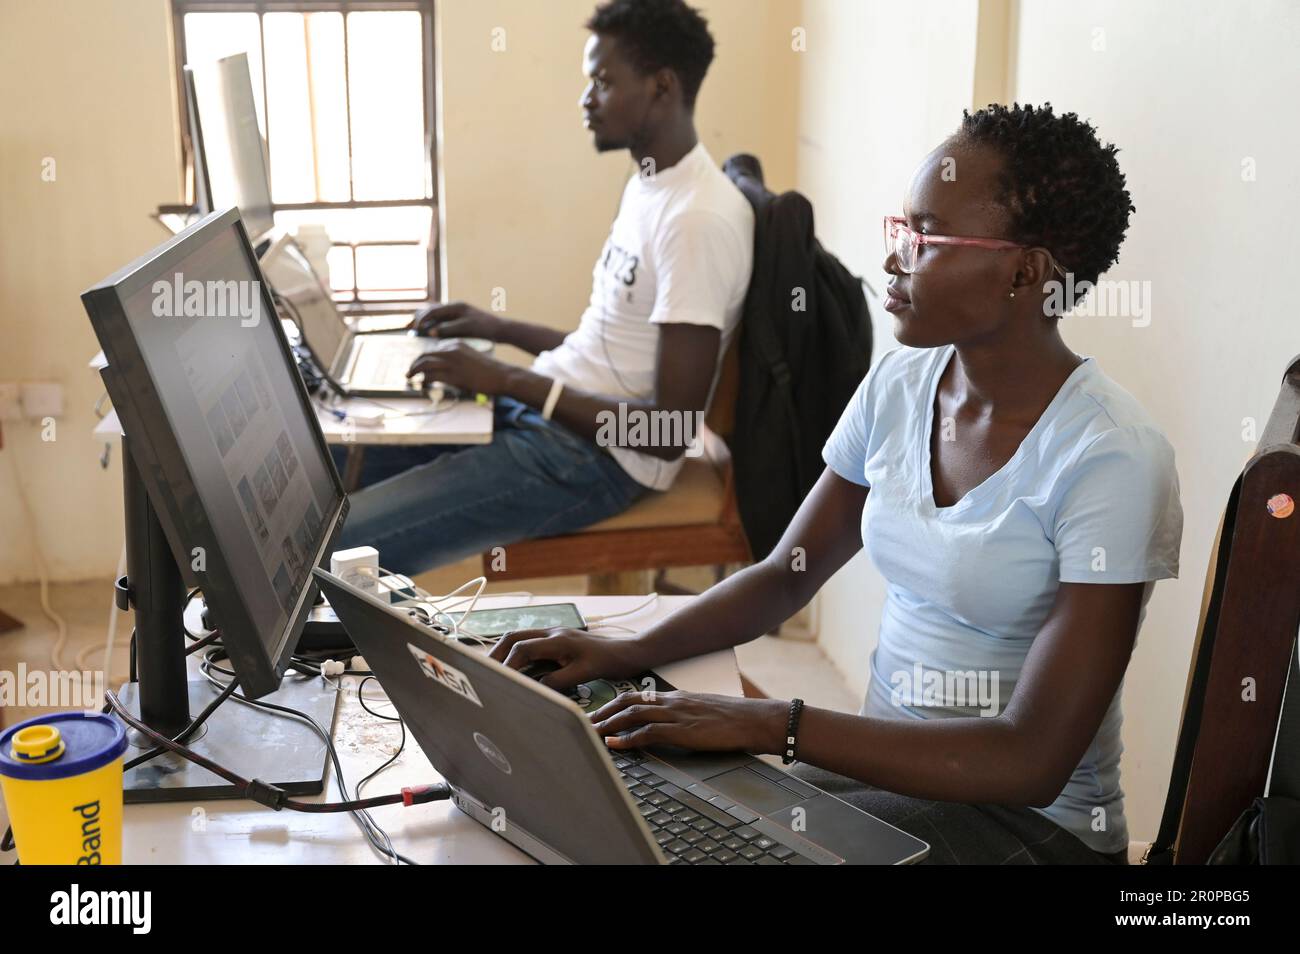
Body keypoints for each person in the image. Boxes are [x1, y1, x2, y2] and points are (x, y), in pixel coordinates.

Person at [490, 103, 1184, 865]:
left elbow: (1032, 758)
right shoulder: (900, 385)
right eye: (902, 230)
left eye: (926, 238)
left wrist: (773, 723)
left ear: (1025, 271)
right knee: (627, 791)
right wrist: (624, 650)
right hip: (880, 777)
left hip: (1028, 827)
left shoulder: (1109, 457)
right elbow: (782, 579)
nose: (896, 259)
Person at [333, 0, 753, 575]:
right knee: (327, 463)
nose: (587, 99)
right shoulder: (652, 186)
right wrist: (496, 328)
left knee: (337, 542)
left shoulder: (696, 221)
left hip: (595, 461)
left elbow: (669, 432)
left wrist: (507, 377)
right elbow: (613, 352)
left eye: (603, 82)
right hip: (547, 418)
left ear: (662, 87)